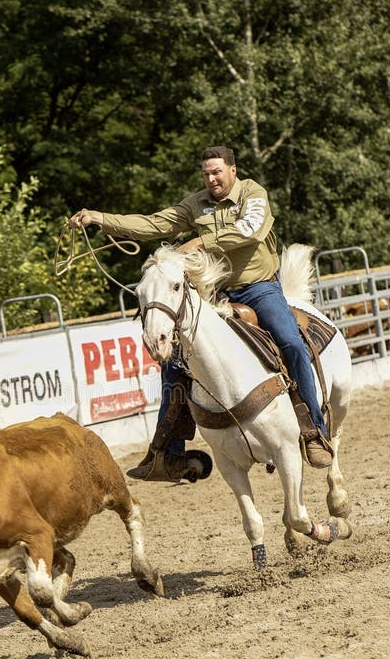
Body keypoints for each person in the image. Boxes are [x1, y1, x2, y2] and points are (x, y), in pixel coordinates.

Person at [68, 145, 333, 476]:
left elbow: (250, 230)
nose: (211, 179)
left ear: (233, 171)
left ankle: (313, 429)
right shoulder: (195, 204)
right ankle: (168, 452)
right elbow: (154, 224)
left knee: (290, 340)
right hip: (216, 291)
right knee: (176, 359)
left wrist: (202, 241)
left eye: (217, 172)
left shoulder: (253, 194)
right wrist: (100, 218)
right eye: (206, 174)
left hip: (259, 288)